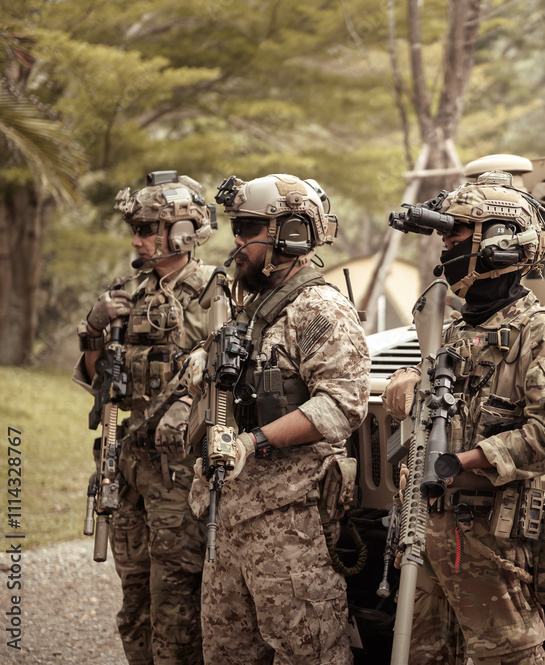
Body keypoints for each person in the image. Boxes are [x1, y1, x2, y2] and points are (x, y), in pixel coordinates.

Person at [381, 171, 545, 665]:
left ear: (500, 243)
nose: (446, 247)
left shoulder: (537, 331)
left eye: (458, 234)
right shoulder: (450, 329)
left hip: (491, 537)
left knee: (505, 657)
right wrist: (406, 384)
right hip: (428, 530)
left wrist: (463, 460)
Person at [187, 173, 369, 665]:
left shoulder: (319, 310)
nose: (237, 242)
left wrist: (252, 443)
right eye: (237, 228)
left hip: (291, 529)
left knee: (306, 655)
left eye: (248, 228)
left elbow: (342, 403)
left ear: (290, 233)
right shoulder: (244, 310)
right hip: (227, 520)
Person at [74, 171, 215, 665]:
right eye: (135, 227)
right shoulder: (125, 293)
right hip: (127, 467)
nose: (136, 238)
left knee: (177, 604)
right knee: (134, 600)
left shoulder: (216, 295)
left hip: (180, 475)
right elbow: (98, 379)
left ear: (181, 232)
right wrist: (93, 327)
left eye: (147, 227)